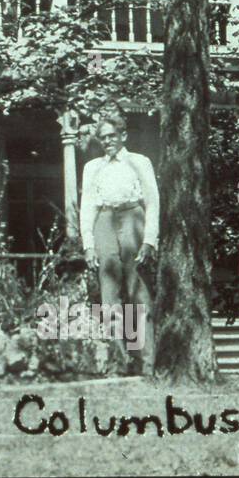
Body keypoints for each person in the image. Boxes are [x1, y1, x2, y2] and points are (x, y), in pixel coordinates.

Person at [80, 110, 158, 375]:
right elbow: (87, 206)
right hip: (104, 219)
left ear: (123, 136)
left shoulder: (139, 162)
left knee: (137, 291)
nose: (108, 141)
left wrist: (149, 239)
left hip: (132, 216)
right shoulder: (93, 167)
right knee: (109, 293)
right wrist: (88, 244)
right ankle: (117, 362)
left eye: (113, 136)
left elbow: (152, 201)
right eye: (103, 138)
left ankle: (145, 362)